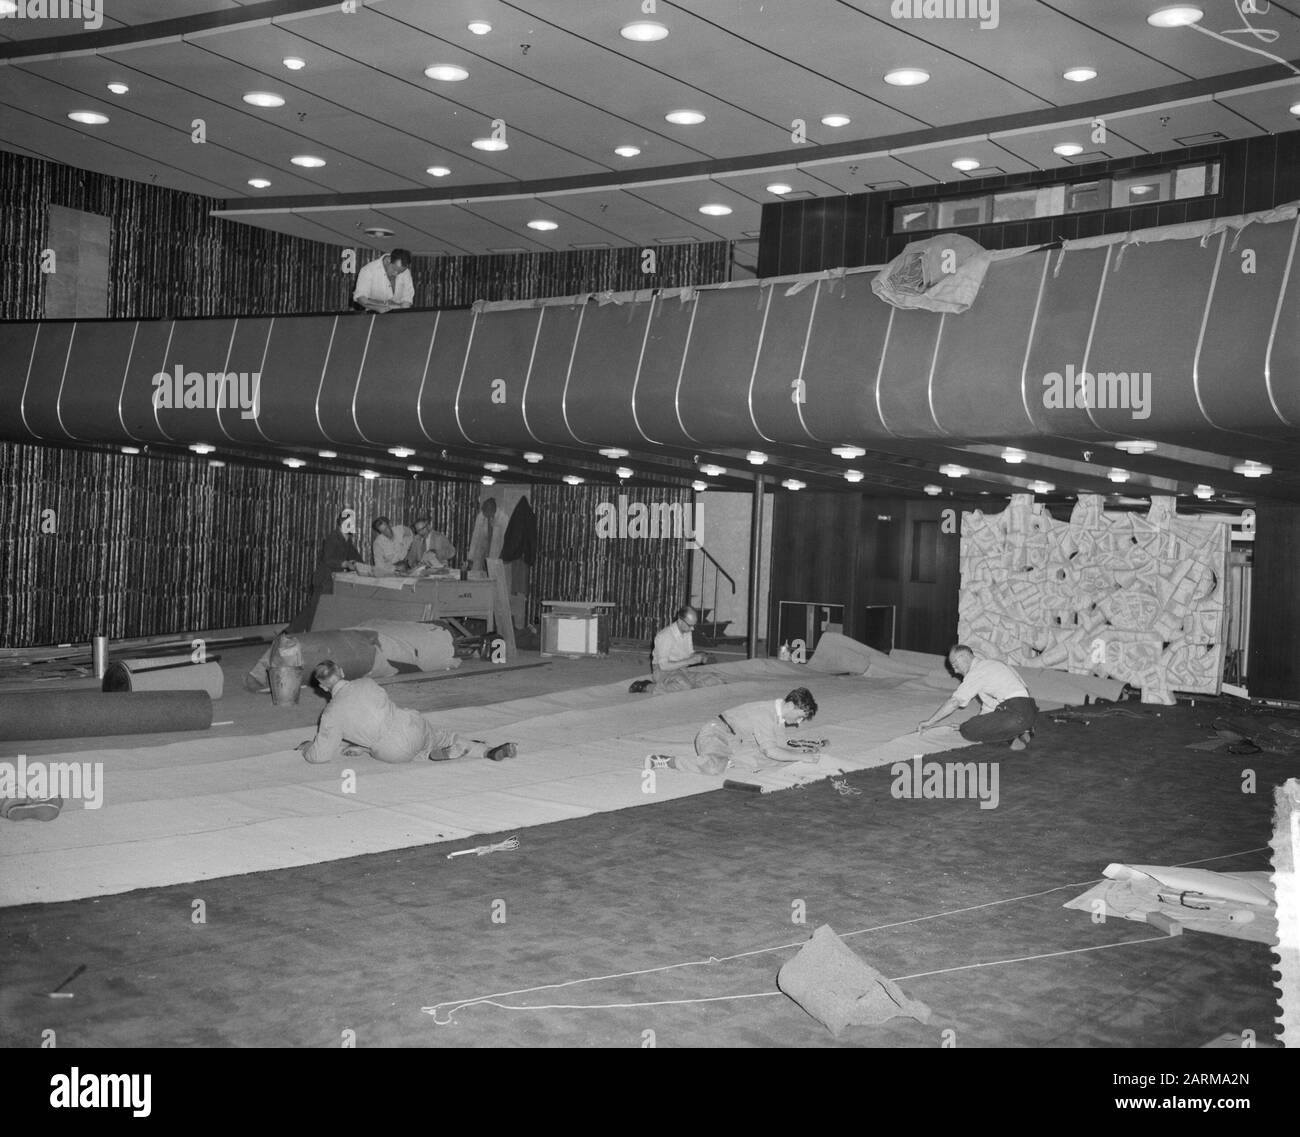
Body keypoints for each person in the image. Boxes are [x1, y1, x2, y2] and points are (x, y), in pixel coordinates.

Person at [297, 660, 518, 765]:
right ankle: (487, 751)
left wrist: (308, 747)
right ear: (342, 671)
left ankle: (432, 753)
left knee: (398, 750)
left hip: (392, 751)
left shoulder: (330, 714)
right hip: (411, 725)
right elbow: (373, 715)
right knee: (442, 736)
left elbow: (320, 756)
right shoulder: (367, 683)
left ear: (323, 687)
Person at [665, 688, 819, 775]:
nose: (799, 723)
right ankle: (669, 761)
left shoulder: (778, 716)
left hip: (734, 741)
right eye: (800, 717)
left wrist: (802, 752)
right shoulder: (765, 713)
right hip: (715, 733)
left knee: (777, 760)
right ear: (792, 706)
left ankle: (728, 761)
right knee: (713, 768)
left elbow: (780, 745)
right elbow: (771, 750)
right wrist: (801, 756)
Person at [917, 644, 1038, 750]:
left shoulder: (977, 671)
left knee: (968, 731)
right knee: (974, 725)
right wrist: (978, 723)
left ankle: (1015, 734)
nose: (955, 671)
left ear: (963, 657)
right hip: (1030, 712)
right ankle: (1023, 730)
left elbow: (954, 702)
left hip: (1015, 714)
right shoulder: (994, 665)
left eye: (955, 665)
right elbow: (991, 706)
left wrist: (930, 722)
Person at [286, 510, 364, 633]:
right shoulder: (333, 537)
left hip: (332, 579)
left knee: (314, 607)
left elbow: (356, 556)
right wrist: (345, 563)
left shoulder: (346, 539)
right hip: (324, 578)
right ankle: (306, 633)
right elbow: (328, 559)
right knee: (316, 608)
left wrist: (364, 567)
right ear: (341, 523)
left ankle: (291, 631)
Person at [646, 605, 718, 692]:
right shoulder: (665, 636)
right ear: (680, 621)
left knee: (713, 679)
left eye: (694, 625)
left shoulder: (687, 631)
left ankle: (688, 686)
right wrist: (689, 661)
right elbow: (663, 666)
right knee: (685, 686)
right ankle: (647, 687)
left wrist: (701, 656)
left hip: (682, 670)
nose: (692, 628)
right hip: (663, 672)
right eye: (690, 625)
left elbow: (689, 653)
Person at [353, 248, 414, 313]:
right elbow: (361, 298)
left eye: (400, 272)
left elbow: (406, 304)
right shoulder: (368, 270)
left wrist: (376, 302)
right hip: (373, 313)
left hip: (399, 314)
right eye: (394, 269)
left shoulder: (406, 272)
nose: (396, 274)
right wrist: (378, 307)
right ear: (388, 260)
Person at [465, 497, 503, 576]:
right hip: (482, 554)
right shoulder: (481, 517)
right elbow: (475, 538)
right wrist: (470, 557)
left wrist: (501, 557)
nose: (484, 514)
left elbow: (504, 541)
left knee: (494, 578)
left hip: (496, 556)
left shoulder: (503, 519)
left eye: (486, 512)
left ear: (492, 510)